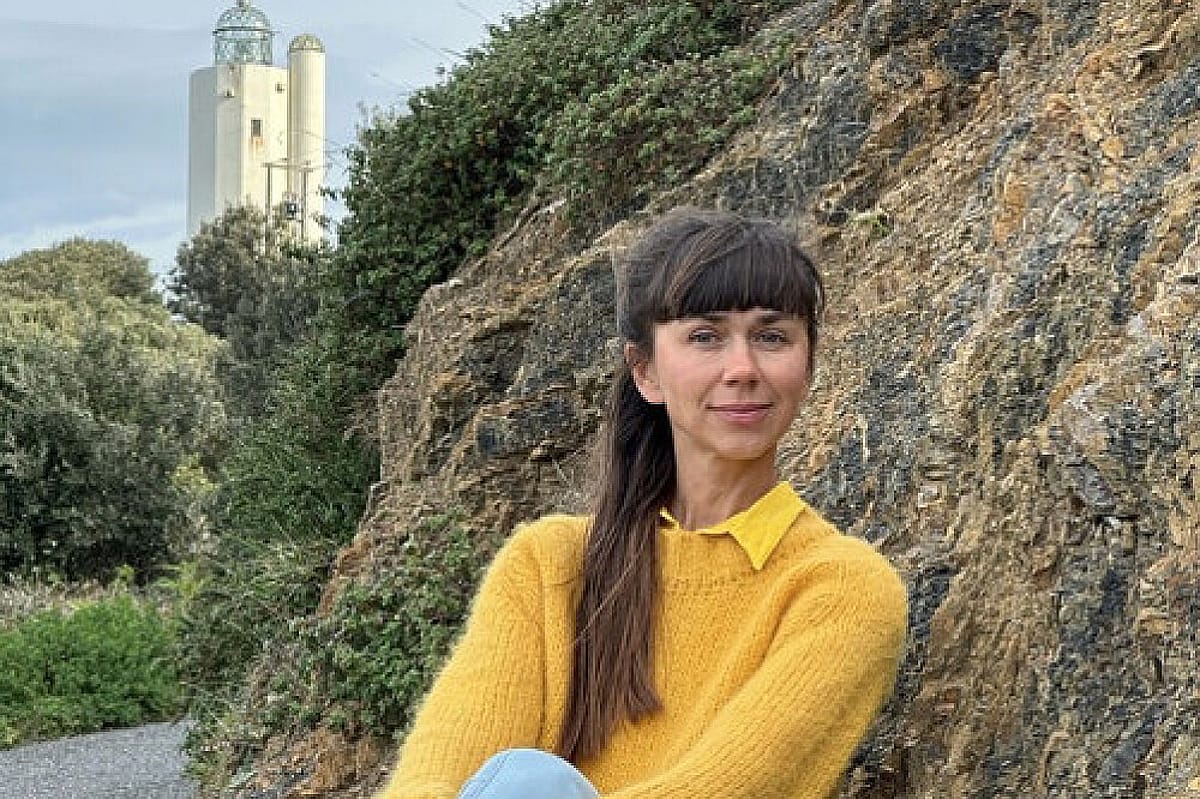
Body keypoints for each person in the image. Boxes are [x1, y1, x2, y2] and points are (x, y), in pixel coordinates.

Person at [376, 208, 908, 799]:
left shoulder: (842, 588)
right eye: (705, 336)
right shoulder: (548, 566)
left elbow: (736, 786)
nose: (743, 369)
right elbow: (434, 776)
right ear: (645, 372)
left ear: (806, 365)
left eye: (772, 337)